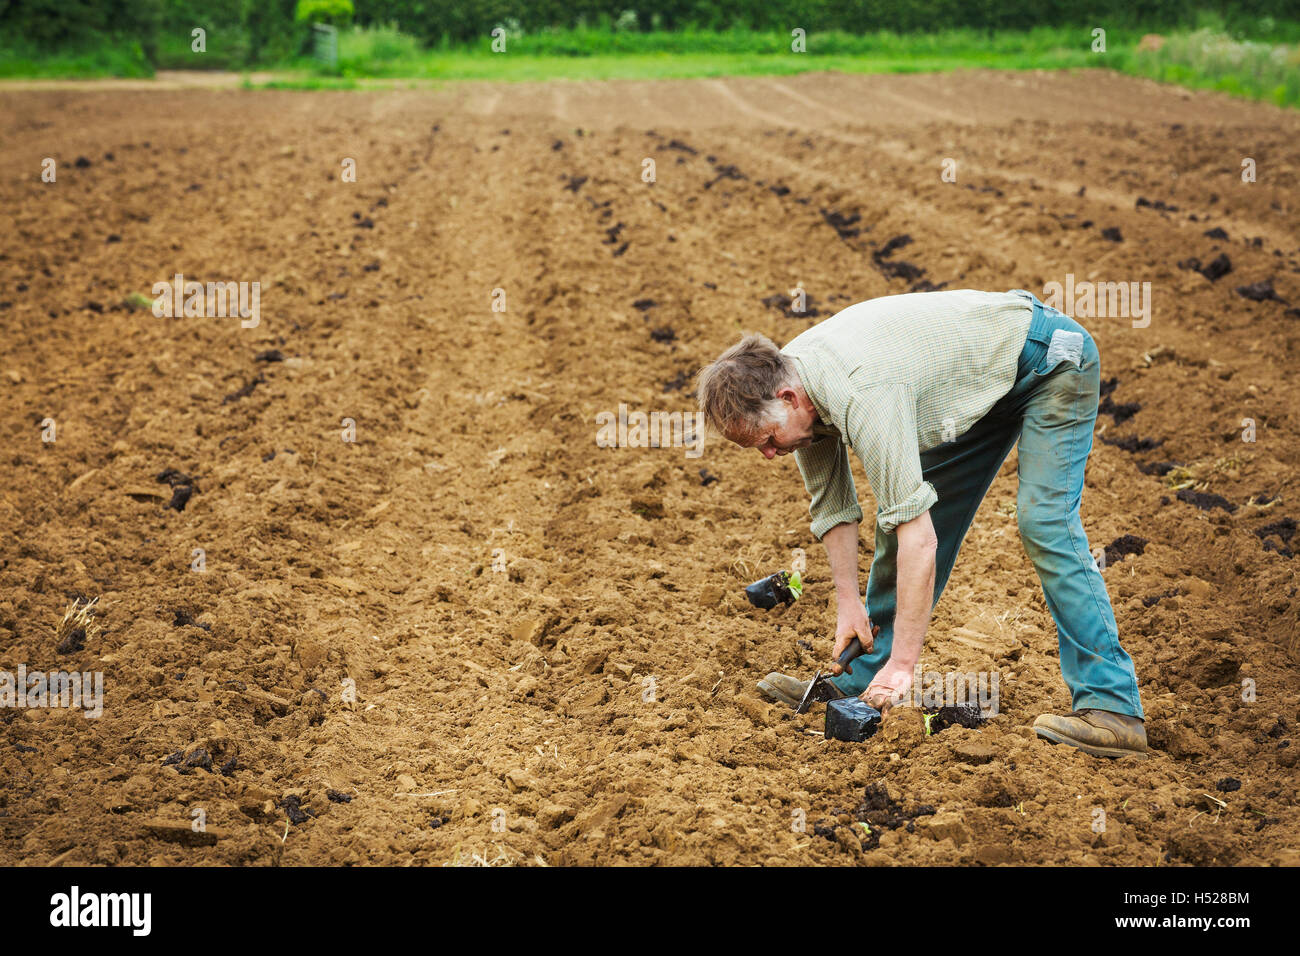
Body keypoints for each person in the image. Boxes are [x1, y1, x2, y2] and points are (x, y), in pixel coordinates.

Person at [696, 289, 1147, 759]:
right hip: (979, 386)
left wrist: (906, 665)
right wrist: (849, 605)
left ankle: (1112, 706)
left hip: (1050, 359)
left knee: (1044, 522)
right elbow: (833, 505)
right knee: (902, 512)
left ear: (788, 398)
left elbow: (921, 540)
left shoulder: (862, 392)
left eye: (768, 440)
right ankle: (864, 673)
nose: (770, 455)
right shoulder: (795, 388)